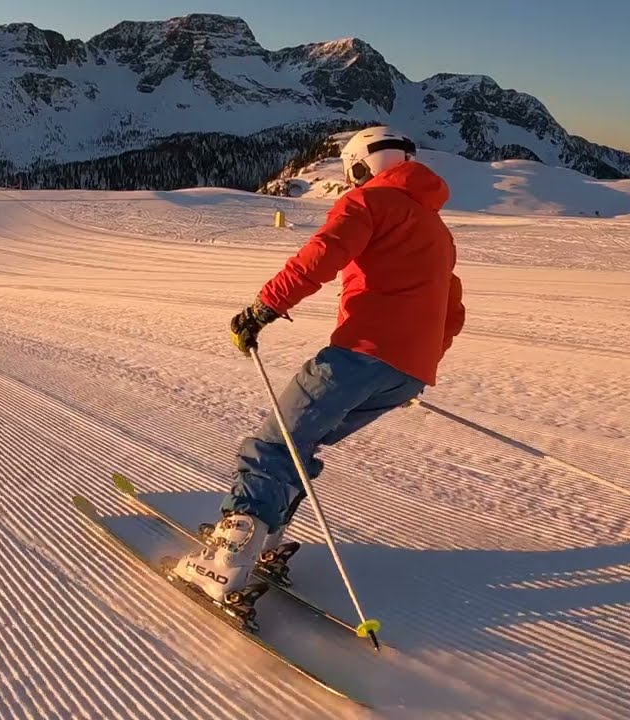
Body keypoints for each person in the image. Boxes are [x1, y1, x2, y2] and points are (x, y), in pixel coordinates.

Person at [171, 126, 466, 611]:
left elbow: (321, 255)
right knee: (300, 442)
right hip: (407, 371)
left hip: (360, 355)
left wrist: (263, 308)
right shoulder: (436, 228)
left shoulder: (369, 203)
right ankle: (262, 536)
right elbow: (451, 311)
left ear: (361, 167)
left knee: (274, 443)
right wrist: (411, 365)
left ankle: (225, 560)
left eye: (352, 173)